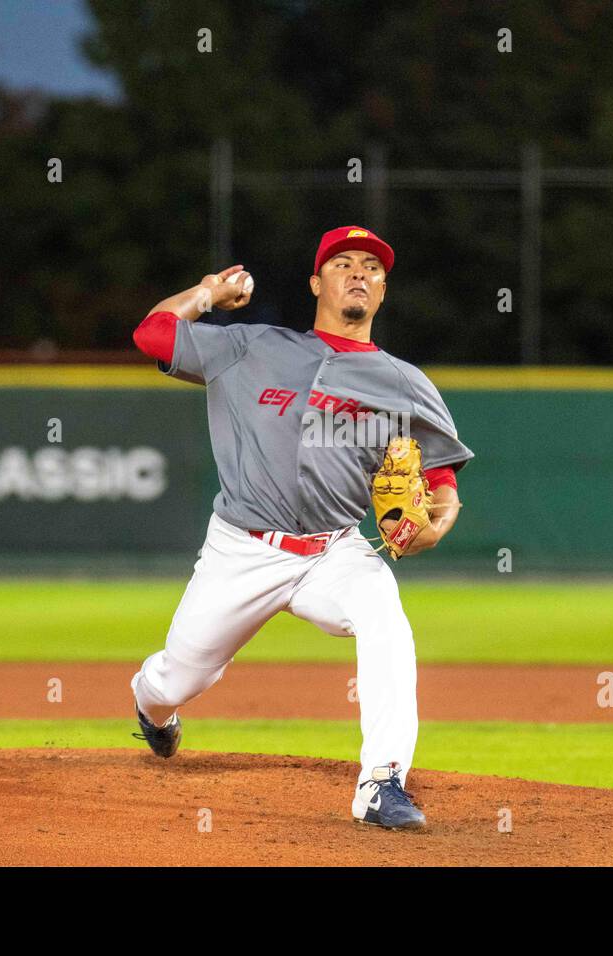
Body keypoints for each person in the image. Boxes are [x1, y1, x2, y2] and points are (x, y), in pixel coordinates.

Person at [128, 226, 473, 829]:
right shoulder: (251, 346)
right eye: (343, 263)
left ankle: (381, 783)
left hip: (335, 551)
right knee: (178, 676)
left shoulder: (404, 383)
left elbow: (441, 479)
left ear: (384, 288)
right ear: (317, 282)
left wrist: (439, 523)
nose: (359, 272)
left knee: (384, 614)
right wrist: (208, 292)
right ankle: (152, 710)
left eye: (372, 266)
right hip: (241, 549)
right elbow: (152, 333)